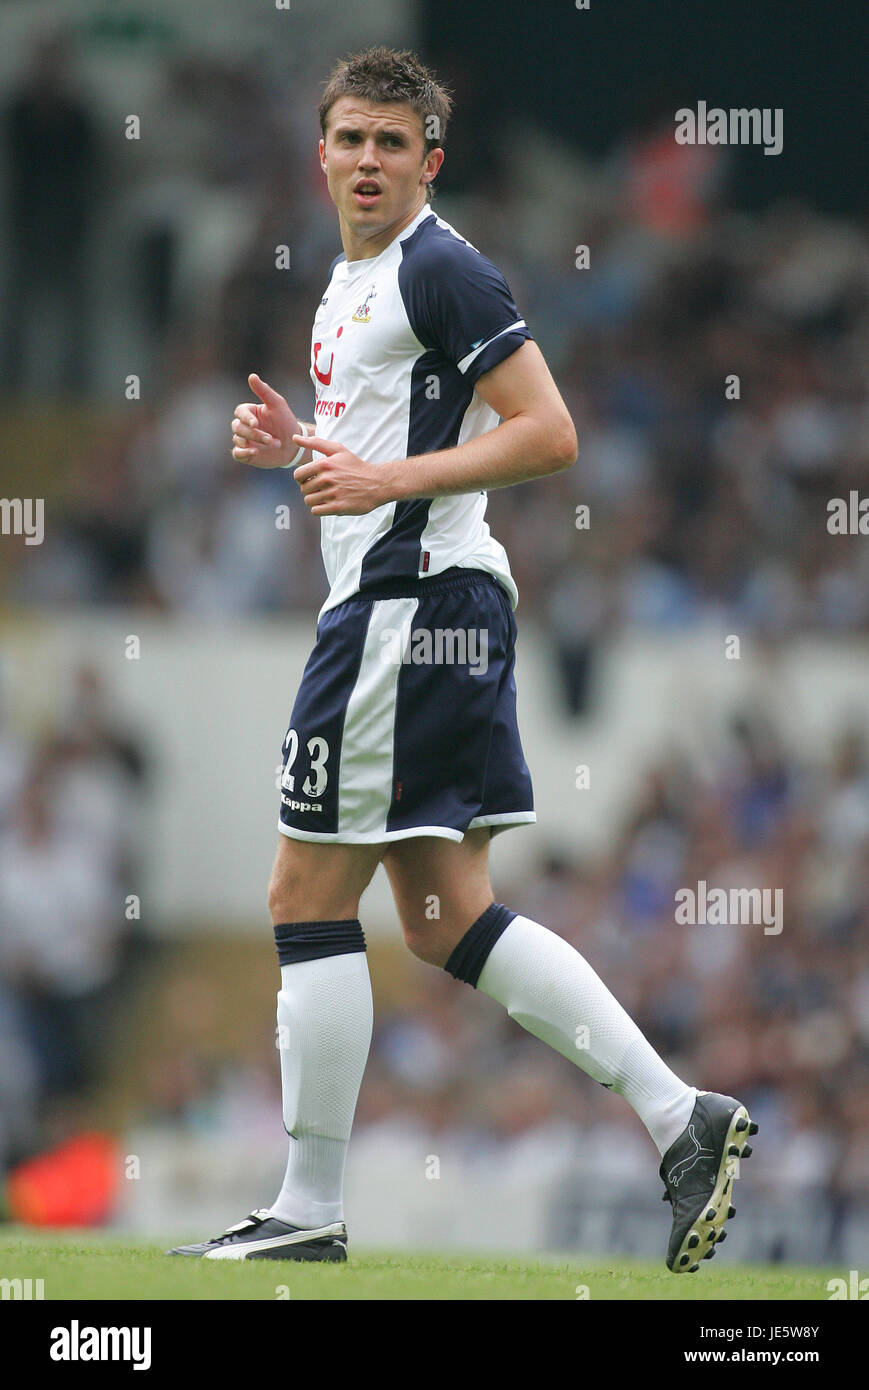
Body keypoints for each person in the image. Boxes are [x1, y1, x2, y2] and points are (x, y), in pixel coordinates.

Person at [171, 47, 755, 1273]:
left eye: (394, 143)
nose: (369, 161)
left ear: (429, 162)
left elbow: (550, 432)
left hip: (405, 611)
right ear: (320, 153)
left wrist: (383, 479)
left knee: (301, 895)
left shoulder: (439, 264)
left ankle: (308, 1205)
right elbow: (384, 445)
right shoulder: (352, 281)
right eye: (351, 140)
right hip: (424, 609)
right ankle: (675, 1115)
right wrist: (300, 447)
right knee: (443, 918)